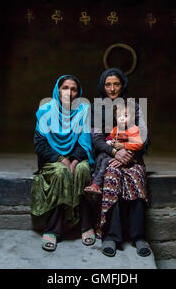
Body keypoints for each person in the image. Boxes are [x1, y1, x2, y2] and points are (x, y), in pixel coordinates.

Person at [90, 67, 151, 257]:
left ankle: (139, 236)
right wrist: (115, 151)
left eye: (116, 84)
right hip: (109, 156)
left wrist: (129, 153)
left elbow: (144, 136)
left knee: (136, 176)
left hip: (132, 156)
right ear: (103, 86)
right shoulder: (97, 108)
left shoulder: (134, 107)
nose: (112, 88)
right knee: (111, 176)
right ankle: (111, 236)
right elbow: (97, 138)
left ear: (122, 85)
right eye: (108, 84)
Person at [31, 75, 96, 252]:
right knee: (61, 172)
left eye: (73, 89)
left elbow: (85, 143)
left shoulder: (83, 110)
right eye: (65, 88)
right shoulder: (45, 111)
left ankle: (86, 225)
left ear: (78, 92)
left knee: (82, 171)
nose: (69, 92)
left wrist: (74, 161)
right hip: (52, 160)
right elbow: (40, 145)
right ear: (58, 90)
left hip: (77, 158)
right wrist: (62, 159)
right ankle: (53, 229)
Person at [84, 104, 144, 194]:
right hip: (115, 153)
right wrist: (110, 143)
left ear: (132, 118)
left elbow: (139, 144)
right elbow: (108, 139)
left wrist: (124, 146)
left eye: (126, 116)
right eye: (119, 116)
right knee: (100, 157)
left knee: (105, 162)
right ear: (116, 118)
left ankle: (97, 185)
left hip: (128, 156)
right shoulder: (115, 129)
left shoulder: (133, 129)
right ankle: (94, 180)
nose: (122, 118)